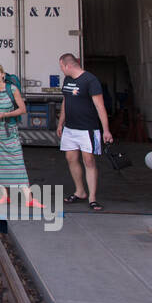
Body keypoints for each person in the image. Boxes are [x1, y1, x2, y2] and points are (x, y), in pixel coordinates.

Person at [57, 53, 113, 212]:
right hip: (70, 128)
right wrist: (61, 123)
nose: (61, 69)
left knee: (89, 160)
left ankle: (92, 198)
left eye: (61, 66)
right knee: (71, 158)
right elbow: (65, 101)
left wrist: (106, 130)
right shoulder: (67, 80)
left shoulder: (90, 80)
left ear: (68, 66)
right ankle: (79, 191)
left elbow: (100, 107)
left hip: (87, 129)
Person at [0, 64, 40, 208]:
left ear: (3, 75)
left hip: (10, 130)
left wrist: (5, 114)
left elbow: (22, 109)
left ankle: (29, 198)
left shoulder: (12, 89)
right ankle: (4, 196)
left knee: (17, 162)